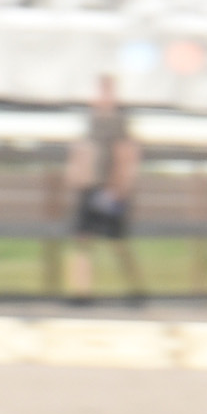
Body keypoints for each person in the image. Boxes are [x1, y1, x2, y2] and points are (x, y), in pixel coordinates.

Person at [63, 75, 146, 305]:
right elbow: (81, 153)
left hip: (111, 189)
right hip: (89, 188)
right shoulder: (90, 120)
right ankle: (81, 293)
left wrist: (119, 187)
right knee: (82, 240)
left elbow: (126, 154)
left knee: (118, 242)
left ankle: (135, 289)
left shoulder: (118, 121)